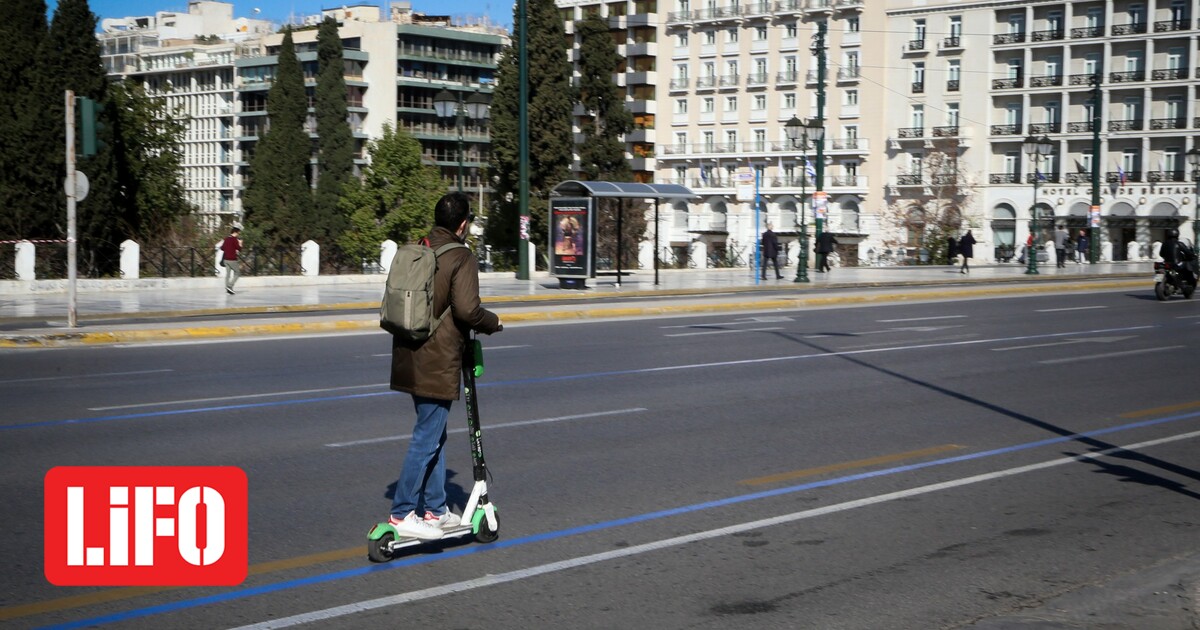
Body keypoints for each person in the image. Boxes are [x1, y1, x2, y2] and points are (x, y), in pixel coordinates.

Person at [387, 192, 503, 540]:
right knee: (426, 436)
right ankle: (402, 512)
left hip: (409, 352)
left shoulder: (420, 248)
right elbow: (467, 310)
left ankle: (435, 509)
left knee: (434, 431)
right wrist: (493, 322)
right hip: (437, 360)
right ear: (463, 224)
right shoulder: (461, 256)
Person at [220, 226, 243, 294]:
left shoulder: (226, 238)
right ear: (235, 232)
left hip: (225, 259)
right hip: (232, 259)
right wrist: (240, 243)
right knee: (237, 273)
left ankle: (227, 288)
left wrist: (228, 248)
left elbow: (222, 248)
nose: (238, 234)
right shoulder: (234, 239)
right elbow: (239, 248)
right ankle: (230, 286)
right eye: (238, 233)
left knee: (228, 274)